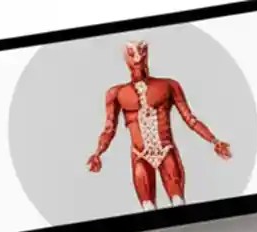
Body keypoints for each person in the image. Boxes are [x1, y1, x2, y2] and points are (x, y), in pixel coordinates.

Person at [87, 40, 232, 210]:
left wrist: (214, 141)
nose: (138, 58)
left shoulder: (168, 85)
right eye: (132, 53)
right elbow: (109, 128)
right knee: (148, 208)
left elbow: (190, 119)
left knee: (178, 203)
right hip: (139, 155)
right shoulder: (116, 93)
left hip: (166, 151)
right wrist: (98, 152)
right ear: (125, 56)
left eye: (141, 51)